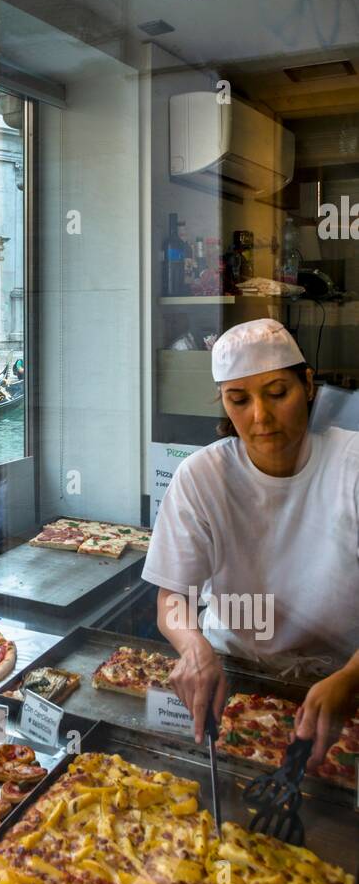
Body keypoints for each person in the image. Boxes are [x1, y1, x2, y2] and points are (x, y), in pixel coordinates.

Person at [141, 318, 359, 765]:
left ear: (309, 385)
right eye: (239, 400)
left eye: (278, 393)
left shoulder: (351, 467)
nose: (260, 416)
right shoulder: (202, 477)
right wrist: (193, 646)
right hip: (230, 671)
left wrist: (352, 678)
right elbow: (173, 600)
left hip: (339, 679)